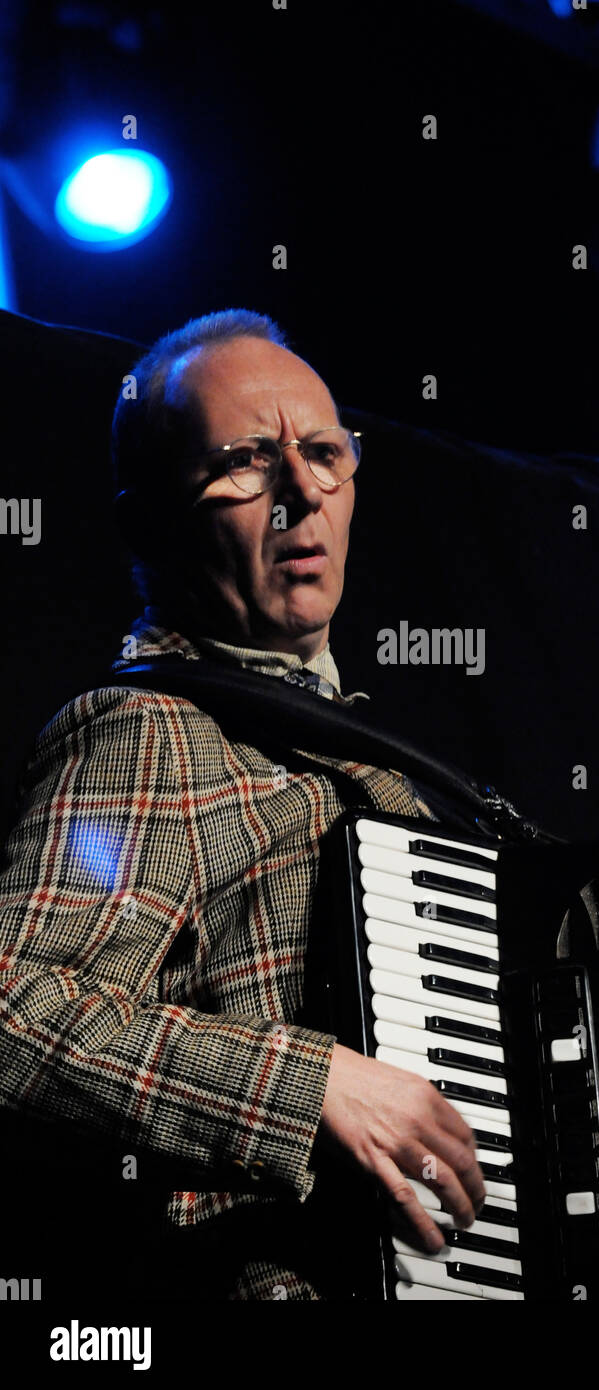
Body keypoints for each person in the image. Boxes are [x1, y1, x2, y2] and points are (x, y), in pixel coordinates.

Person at [0, 309, 486, 1300]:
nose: (300, 494)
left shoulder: (380, 769)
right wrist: (307, 1088)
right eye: (245, 463)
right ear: (150, 520)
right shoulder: (152, 729)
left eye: (322, 454)